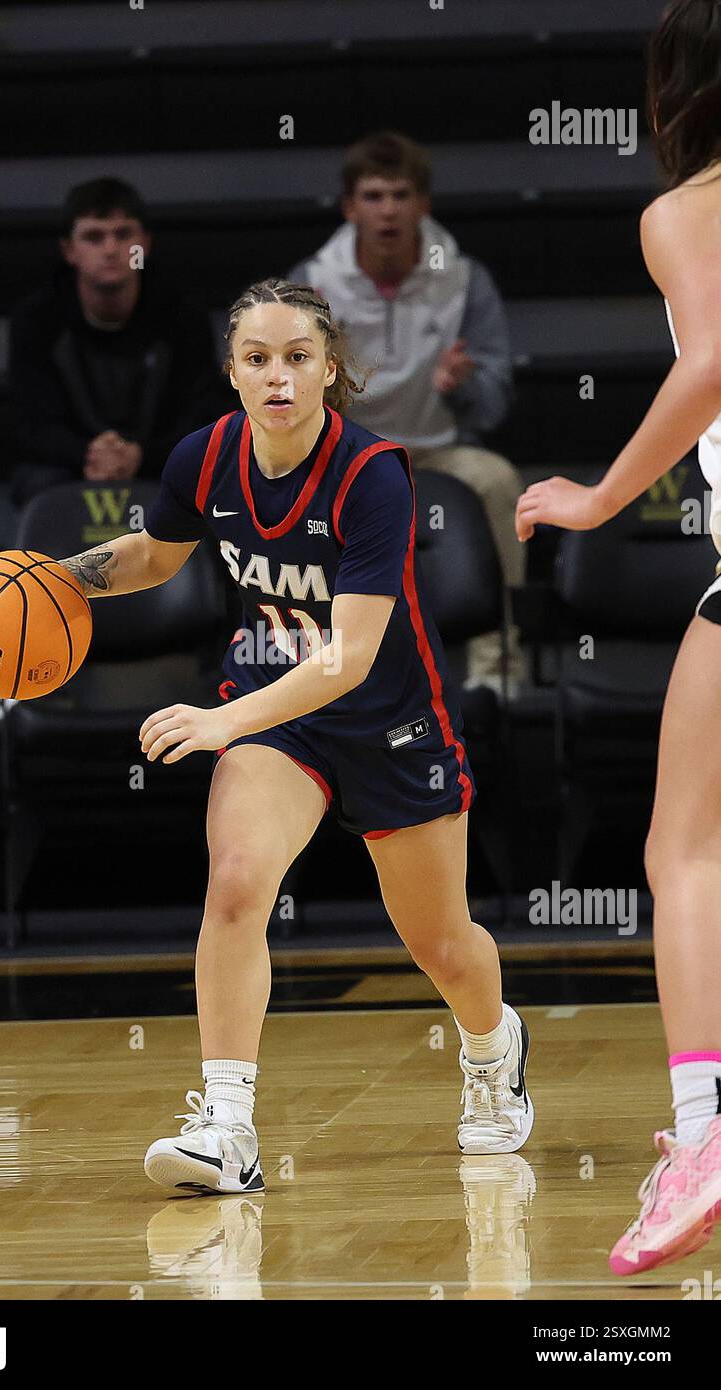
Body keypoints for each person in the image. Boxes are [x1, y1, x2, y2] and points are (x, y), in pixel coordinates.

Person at [59, 277, 533, 1194]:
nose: (278, 377)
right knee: (237, 884)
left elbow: (348, 658)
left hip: (389, 720)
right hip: (279, 725)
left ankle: (492, 1042)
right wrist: (54, 578)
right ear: (232, 372)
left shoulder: (374, 474)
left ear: (330, 371)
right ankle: (227, 1127)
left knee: (440, 943)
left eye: (297, 358)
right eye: (257, 359)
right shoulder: (203, 457)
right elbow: (152, 556)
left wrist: (220, 721)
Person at [516, 0, 721, 1275]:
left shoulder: (684, 205)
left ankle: (702, 1131)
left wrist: (597, 496)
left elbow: (709, 361)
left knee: (682, 849)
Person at [289, 131, 524, 693]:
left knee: (499, 481)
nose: (388, 211)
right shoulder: (312, 285)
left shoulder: (465, 281)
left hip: (437, 448)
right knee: (283, 491)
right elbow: (277, 401)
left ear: (423, 204)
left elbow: (496, 404)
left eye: (400, 195)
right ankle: (313, 672)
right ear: (350, 208)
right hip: (346, 456)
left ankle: (498, 673)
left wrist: (463, 387)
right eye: (373, 196)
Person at [8, 177, 228, 507]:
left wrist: (142, 456)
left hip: (159, 462)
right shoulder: (36, 319)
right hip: (72, 467)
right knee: (38, 482)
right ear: (69, 250)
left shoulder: (182, 316)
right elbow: (32, 422)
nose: (111, 249)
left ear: (145, 244)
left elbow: (203, 415)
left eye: (123, 235)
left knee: (208, 475)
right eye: (94, 237)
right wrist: (88, 455)